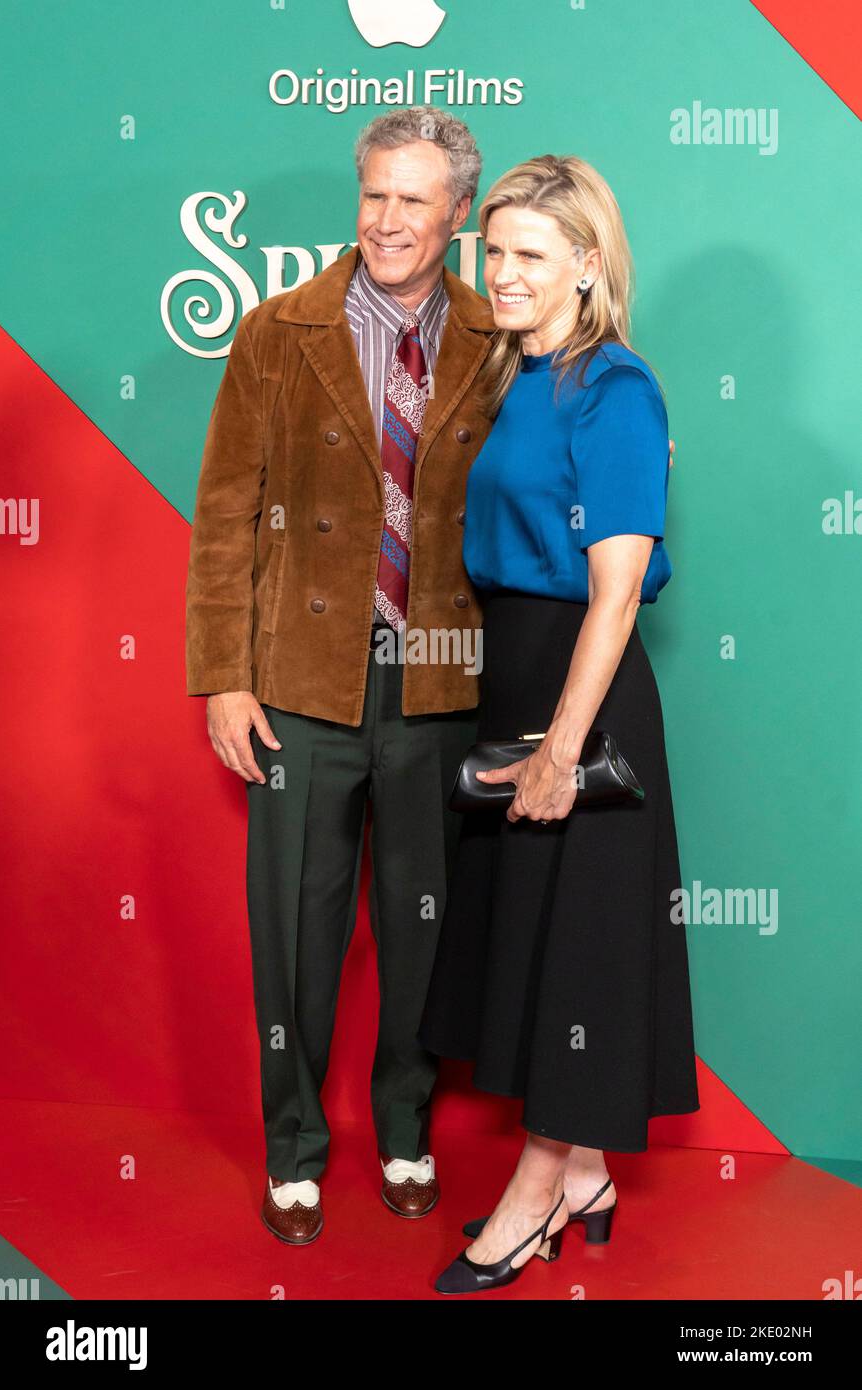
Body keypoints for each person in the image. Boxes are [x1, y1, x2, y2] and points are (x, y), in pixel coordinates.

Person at [185, 107, 497, 1244]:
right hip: (300, 683)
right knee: (297, 928)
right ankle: (292, 1148)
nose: (387, 221)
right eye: (373, 194)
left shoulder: (495, 333)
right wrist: (224, 676)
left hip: (439, 682)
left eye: (414, 200)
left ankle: (404, 1129)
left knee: (422, 923)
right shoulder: (278, 330)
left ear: (458, 212)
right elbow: (224, 513)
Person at [418, 154, 700, 1294]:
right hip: (512, 671)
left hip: (579, 694)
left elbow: (617, 586)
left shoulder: (615, 389)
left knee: (571, 947)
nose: (505, 274)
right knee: (530, 938)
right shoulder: (518, 376)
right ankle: (583, 1171)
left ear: (587, 266)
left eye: (531, 255)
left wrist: (559, 747)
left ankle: (532, 1197)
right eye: (493, 252)